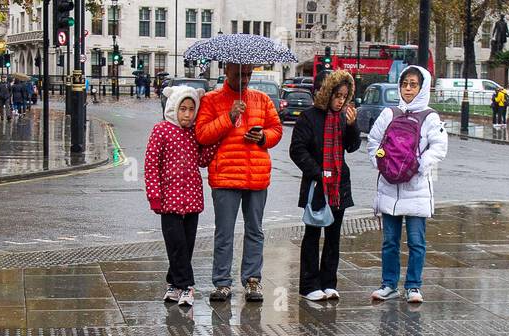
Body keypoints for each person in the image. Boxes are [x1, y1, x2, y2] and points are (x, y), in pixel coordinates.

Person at [194, 62, 283, 302]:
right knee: (224, 233)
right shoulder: (212, 100)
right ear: (227, 72)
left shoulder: (262, 99)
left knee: (255, 231)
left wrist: (262, 136)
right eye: (239, 75)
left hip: (256, 175)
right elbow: (202, 134)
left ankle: (252, 280)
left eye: (248, 75)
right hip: (225, 176)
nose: (244, 80)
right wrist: (229, 116)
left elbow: (276, 129)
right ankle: (222, 282)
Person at [367, 65, 447, 304]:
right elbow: (373, 142)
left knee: (416, 241)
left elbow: (439, 147)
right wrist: (381, 163)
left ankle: (413, 285)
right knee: (390, 241)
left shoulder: (430, 117)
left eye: (413, 84)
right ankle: (389, 284)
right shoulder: (389, 114)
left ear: (422, 87)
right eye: (405, 84)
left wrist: (420, 165)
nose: (408, 88)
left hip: (417, 189)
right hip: (390, 186)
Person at [289, 70, 361, 301]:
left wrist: (352, 126)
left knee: (333, 235)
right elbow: (297, 149)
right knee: (312, 232)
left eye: (344, 96)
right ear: (327, 94)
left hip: (339, 184)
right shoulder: (309, 117)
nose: (341, 100)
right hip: (317, 183)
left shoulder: (342, 117)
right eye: (337, 95)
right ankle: (309, 284)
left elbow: (352, 146)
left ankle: (329, 282)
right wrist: (317, 173)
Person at [145, 86, 217, 309]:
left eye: (191, 109)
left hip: (192, 200)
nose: (187, 114)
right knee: (175, 245)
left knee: (186, 245)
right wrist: (154, 196)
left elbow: (203, 160)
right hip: (168, 202)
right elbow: (151, 165)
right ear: (173, 108)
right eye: (183, 109)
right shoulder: (161, 130)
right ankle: (187, 286)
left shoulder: (195, 132)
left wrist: (215, 140)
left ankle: (173, 283)